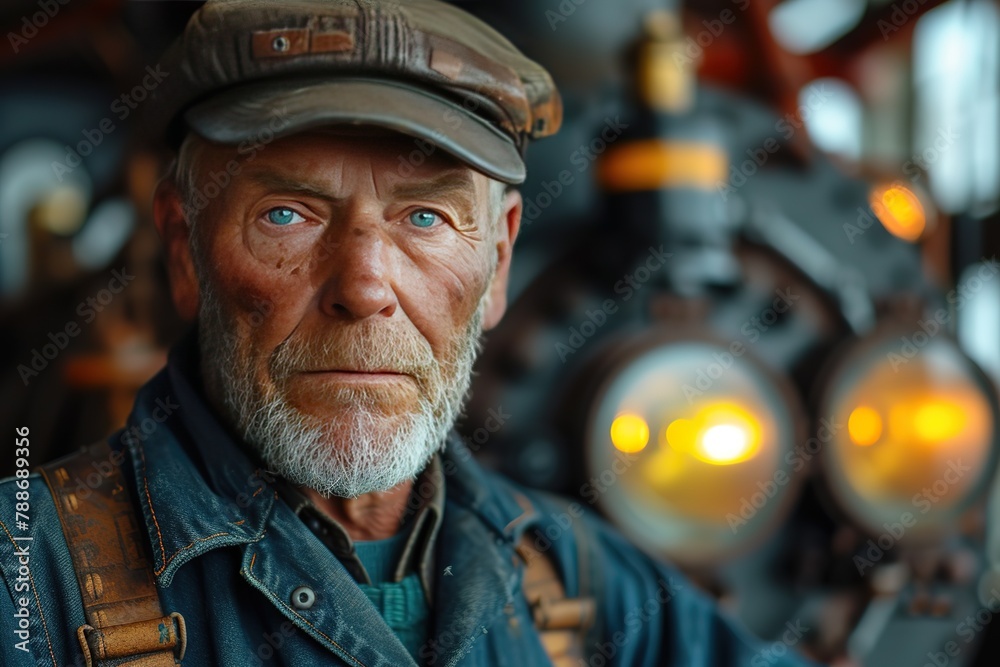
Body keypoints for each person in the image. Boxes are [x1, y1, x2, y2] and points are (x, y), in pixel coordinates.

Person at [0, 1, 819, 665]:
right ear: (184, 251)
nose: (364, 287)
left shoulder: (572, 574)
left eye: (424, 217)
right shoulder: (30, 580)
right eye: (287, 214)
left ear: (497, 265)